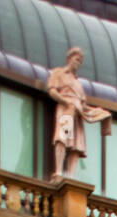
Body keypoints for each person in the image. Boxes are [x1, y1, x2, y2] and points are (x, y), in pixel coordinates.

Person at [46, 47, 111, 179]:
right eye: (76, 60)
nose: (78, 63)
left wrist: (99, 112)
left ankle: (70, 176)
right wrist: (66, 102)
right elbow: (52, 91)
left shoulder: (78, 83)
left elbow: (83, 105)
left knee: (76, 145)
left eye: (80, 62)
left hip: (78, 115)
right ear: (69, 59)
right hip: (67, 111)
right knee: (62, 138)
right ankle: (58, 171)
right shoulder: (59, 73)